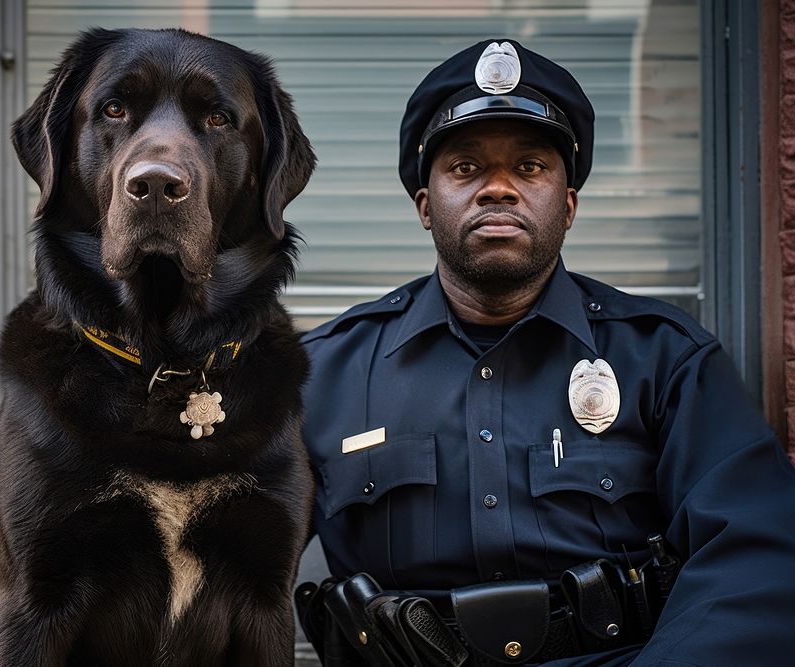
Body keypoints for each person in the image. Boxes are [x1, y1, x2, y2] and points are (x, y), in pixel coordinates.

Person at [299, 38, 795, 665]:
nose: (498, 189)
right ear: (426, 207)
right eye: (465, 168)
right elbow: (231, 562)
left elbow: (758, 555)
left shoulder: (665, 361)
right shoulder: (324, 376)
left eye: (530, 167)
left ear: (568, 205)